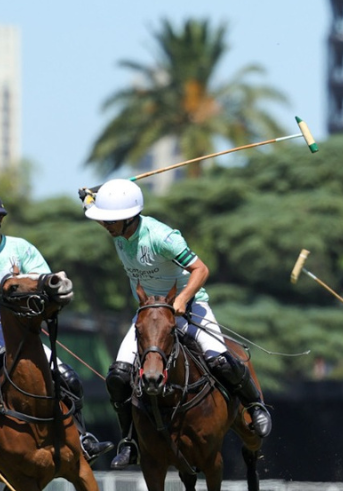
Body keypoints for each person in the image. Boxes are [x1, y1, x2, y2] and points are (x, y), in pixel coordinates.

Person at [82, 178, 272, 470]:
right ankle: (129, 441)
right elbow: (98, 211)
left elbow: (200, 268)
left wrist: (183, 298)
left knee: (221, 361)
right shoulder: (117, 228)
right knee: (118, 376)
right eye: (104, 219)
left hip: (189, 305)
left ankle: (255, 407)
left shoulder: (162, 236)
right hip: (150, 313)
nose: (105, 225)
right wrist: (88, 199)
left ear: (129, 217)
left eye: (110, 220)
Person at [0, 190, 108, 480]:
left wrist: (34, 283)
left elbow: (46, 283)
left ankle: (84, 439)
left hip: (20, 326)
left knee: (69, 378)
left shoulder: (22, 249)